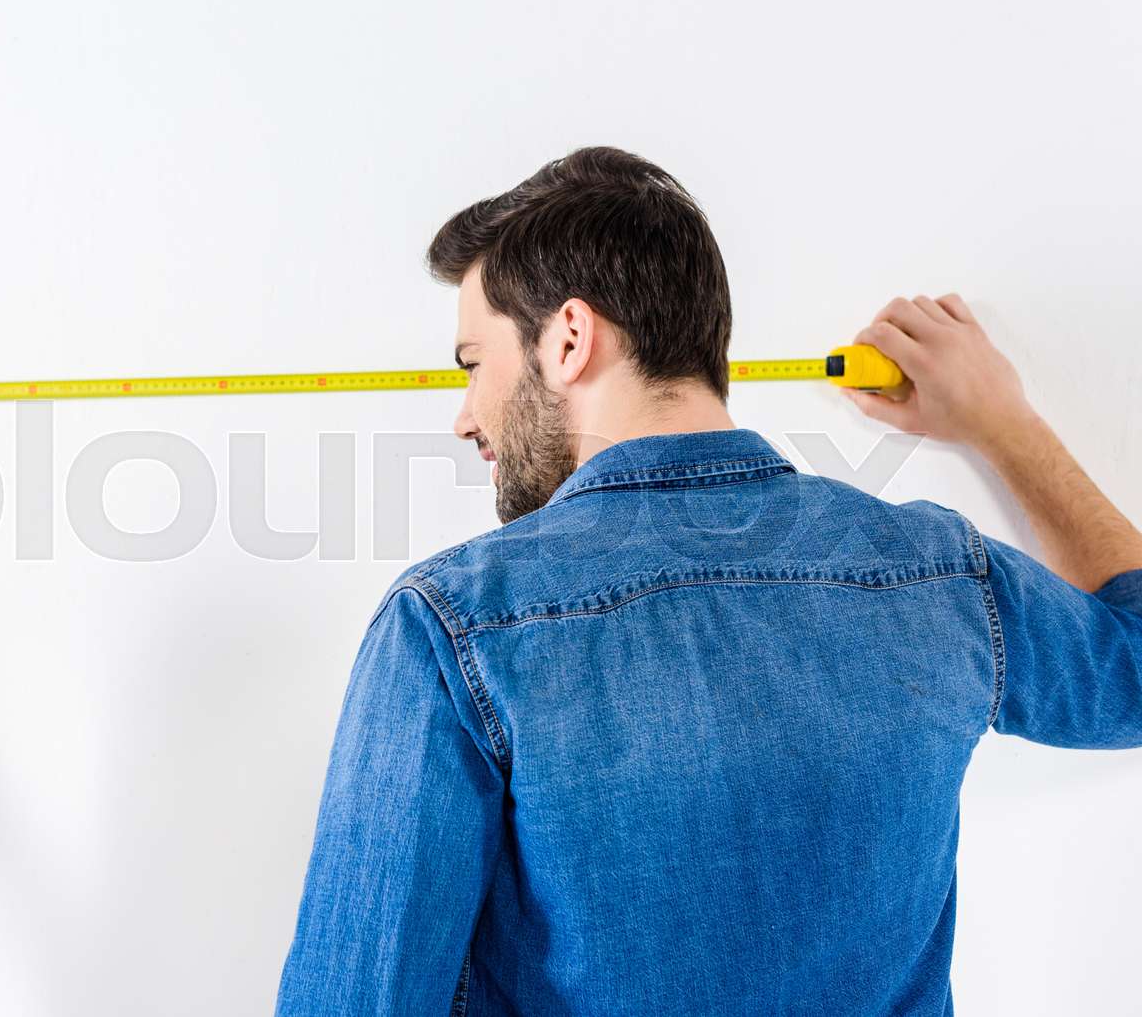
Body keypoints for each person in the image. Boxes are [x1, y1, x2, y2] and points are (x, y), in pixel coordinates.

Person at [275, 147, 1142, 1015]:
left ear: (570, 339)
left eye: (473, 362)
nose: (466, 414)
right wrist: (1006, 423)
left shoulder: (457, 624)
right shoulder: (933, 574)